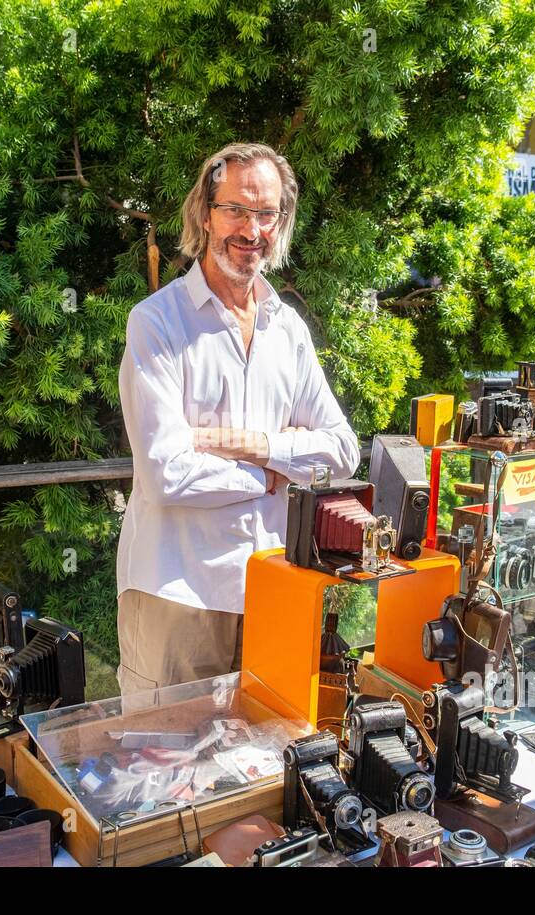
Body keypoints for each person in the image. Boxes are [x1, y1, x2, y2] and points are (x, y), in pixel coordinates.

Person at [115, 142, 360, 695]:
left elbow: (343, 452)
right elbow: (166, 474)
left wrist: (250, 445)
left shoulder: (287, 329)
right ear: (205, 213)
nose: (252, 230)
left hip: (274, 592)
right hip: (178, 594)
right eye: (236, 210)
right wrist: (273, 475)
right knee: (167, 768)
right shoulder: (157, 322)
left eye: (267, 214)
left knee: (260, 765)